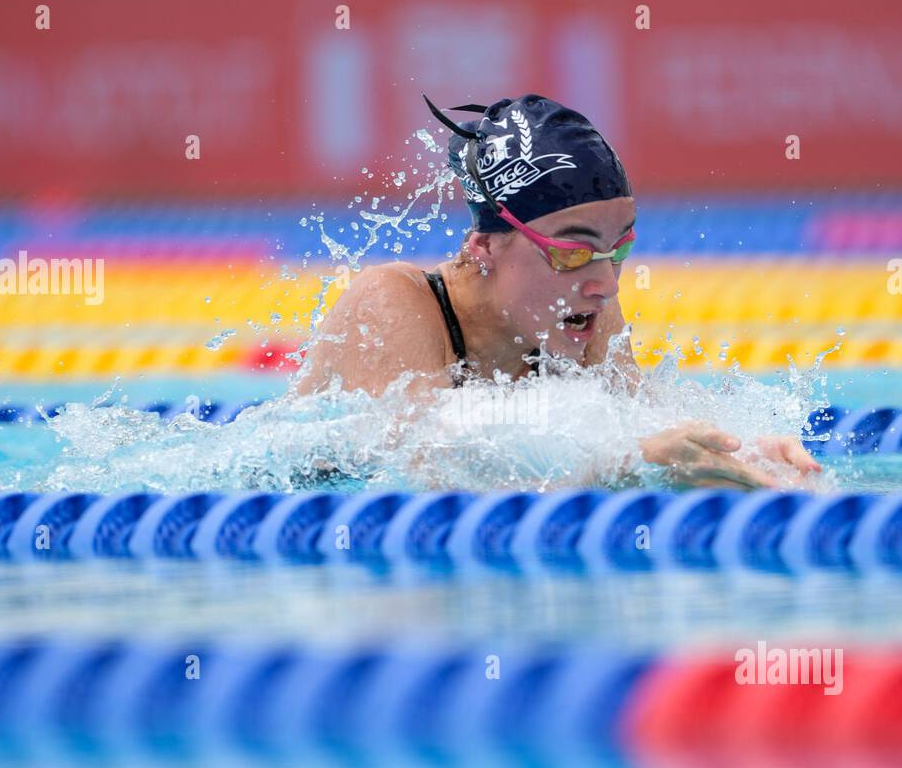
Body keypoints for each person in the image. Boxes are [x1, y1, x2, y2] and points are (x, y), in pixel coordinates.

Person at [293, 93, 820, 489]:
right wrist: (628, 459)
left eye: (617, 250)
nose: (606, 284)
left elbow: (644, 426)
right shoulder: (395, 301)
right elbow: (422, 466)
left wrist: (740, 454)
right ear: (485, 246)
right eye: (571, 252)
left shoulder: (582, 308)